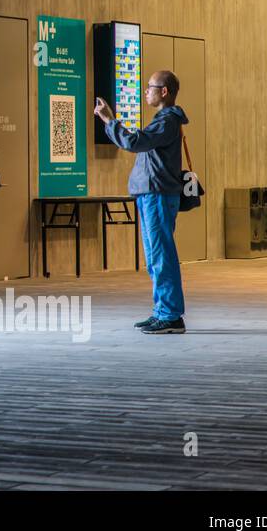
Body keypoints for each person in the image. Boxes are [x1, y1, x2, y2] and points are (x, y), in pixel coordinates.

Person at [94, 70, 188, 335]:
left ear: (164, 91)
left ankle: (170, 315)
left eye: (150, 87)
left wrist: (110, 121)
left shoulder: (167, 121)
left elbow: (135, 142)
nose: (146, 91)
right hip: (151, 194)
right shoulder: (163, 120)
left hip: (157, 194)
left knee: (161, 255)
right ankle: (162, 311)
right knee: (154, 256)